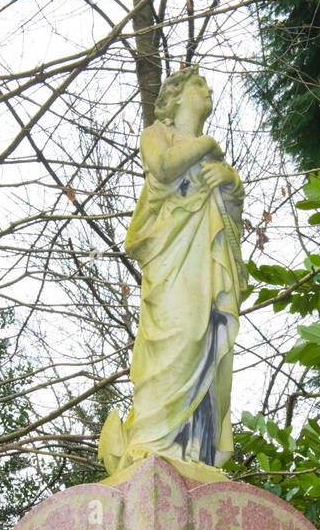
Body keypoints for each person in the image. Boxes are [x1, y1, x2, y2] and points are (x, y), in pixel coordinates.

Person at [99, 68, 246, 476]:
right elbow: (162, 168)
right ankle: (149, 441)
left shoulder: (212, 157)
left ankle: (194, 451)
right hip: (171, 264)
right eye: (199, 85)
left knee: (207, 345)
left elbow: (230, 220)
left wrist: (231, 183)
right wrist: (208, 145)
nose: (209, 90)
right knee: (177, 337)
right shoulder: (158, 135)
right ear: (176, 95)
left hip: (206, 265)